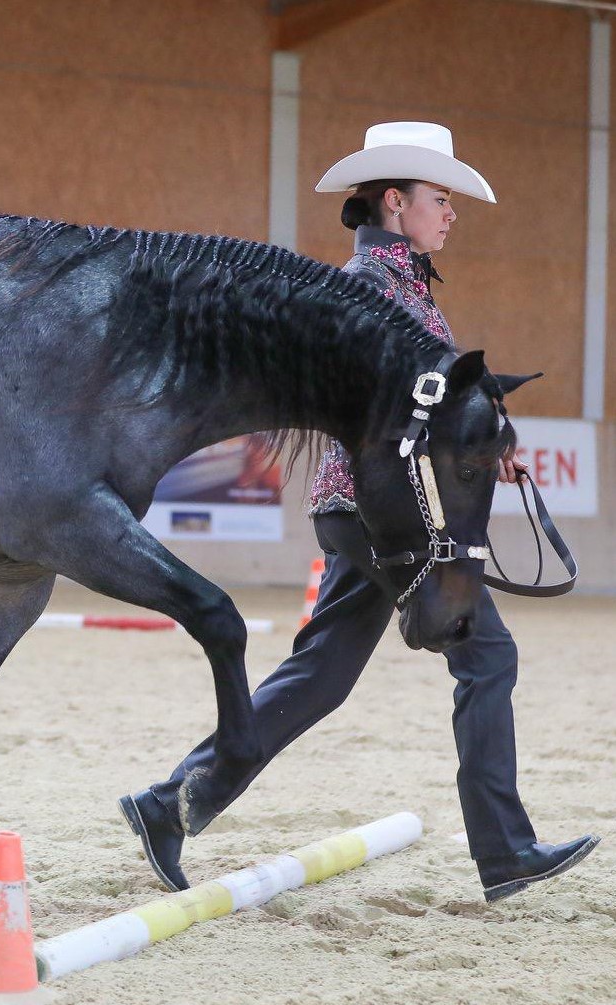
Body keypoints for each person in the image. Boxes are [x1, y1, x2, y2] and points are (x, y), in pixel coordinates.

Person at [118, 122, 598, 903]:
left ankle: (168, 806)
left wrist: (488, 442)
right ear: (395, 201)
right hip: (384, 511)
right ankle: (504, 850)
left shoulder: (404, 285)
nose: (450, 213)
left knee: (319, 677)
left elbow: (426, 401)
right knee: (487, 655)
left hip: (365, 510)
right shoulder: (372, 288)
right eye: (439, 199)